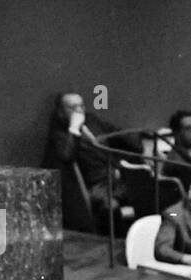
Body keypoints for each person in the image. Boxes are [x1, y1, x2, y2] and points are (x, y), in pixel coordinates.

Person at [42, 92, 143, 221]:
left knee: (150, 195)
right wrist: (74, 128)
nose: (79, 111)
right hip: (97, 185)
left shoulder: (92, 120)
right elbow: (66, 156)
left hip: (117, 177)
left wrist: (141, 142)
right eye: (73, 107)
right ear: (61, 112)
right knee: (111, 208)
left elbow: (117, 133)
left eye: (81, 106)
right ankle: (117, 239)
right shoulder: (60, 133)